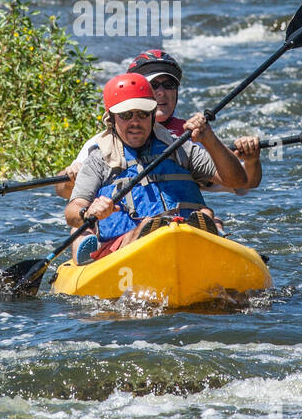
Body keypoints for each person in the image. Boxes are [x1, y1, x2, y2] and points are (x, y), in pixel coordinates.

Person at [65, 74, 248, 265]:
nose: (135, 122)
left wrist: (209, 138)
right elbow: (72, 210)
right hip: (123, 250)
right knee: (146, 226)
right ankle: (154, 232)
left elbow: (237, 181)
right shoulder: (98, 160)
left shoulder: (180, 148)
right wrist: (87, 211)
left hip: (186, 236)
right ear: (111, 118)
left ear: (153, 115)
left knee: (205, 215)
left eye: (143, 114)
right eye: (126, 115)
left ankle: (199, 236)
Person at [56, 49, 261, 201]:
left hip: (180, 222)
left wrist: (251, 161)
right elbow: (66, 193)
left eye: (169, 85)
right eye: (154, 85)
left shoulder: (189, 140)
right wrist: (69, 178)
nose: (162, 92)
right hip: (130, 226)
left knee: (211, 221)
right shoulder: (101, 146)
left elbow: (243, 182)